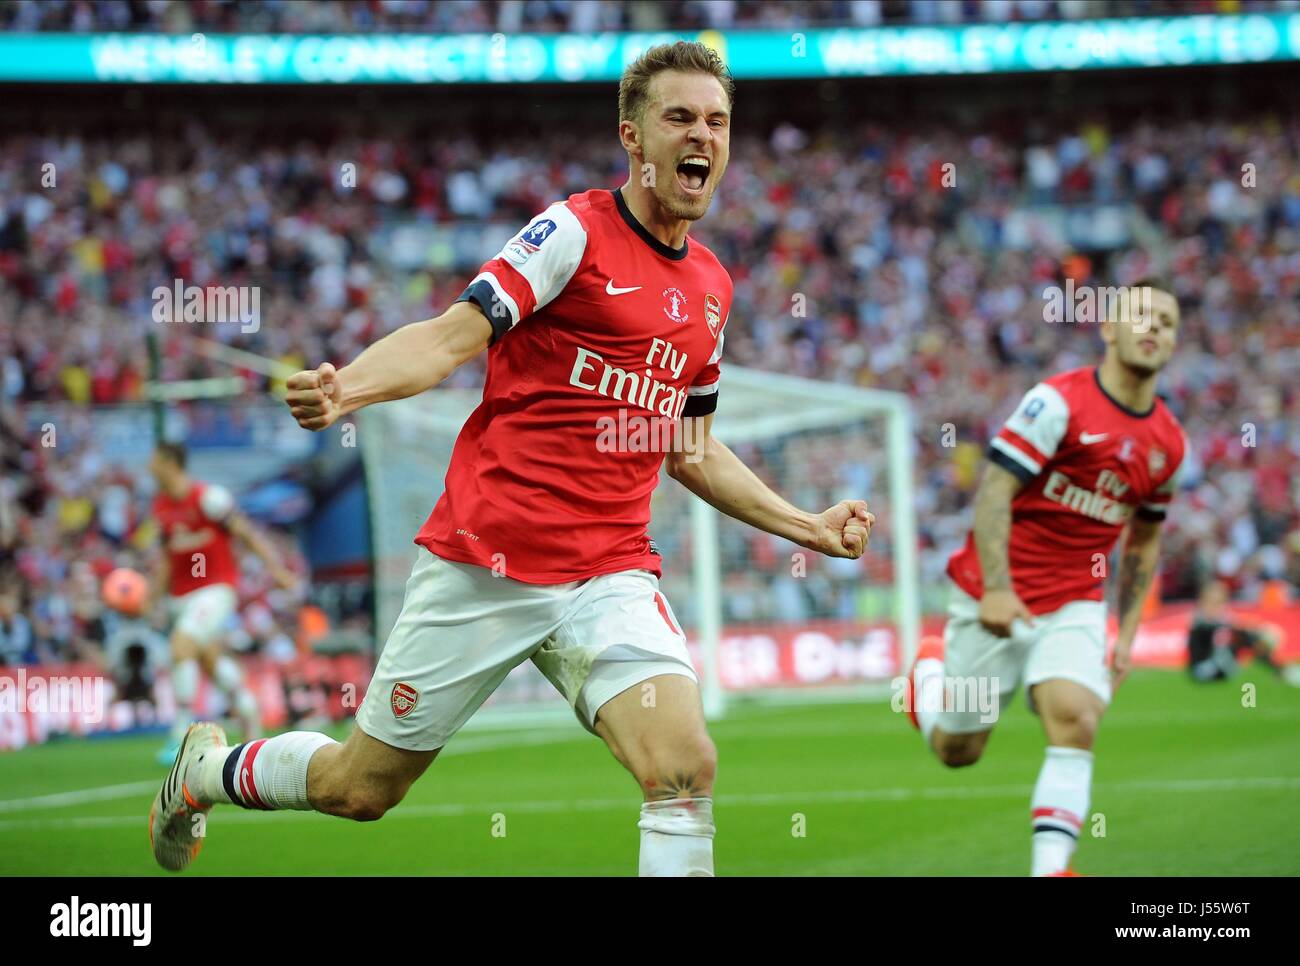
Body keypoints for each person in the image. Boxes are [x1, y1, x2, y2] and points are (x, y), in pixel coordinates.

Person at [149, 41, 874, 876]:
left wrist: (807, 527)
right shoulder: (570, 233)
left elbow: (691, 450)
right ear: (633, 137)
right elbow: (449, 339)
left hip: (608, 575)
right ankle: (206, 771)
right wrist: (347, 389)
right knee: (362, 789)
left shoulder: (712, 289)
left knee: (683, 767)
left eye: (716, 120)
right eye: (678, 117)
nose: (700, 135)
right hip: (487, 563)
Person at [904, 279, 1185, 876]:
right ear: (1108, 329)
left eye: (1168, 320)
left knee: (1076, 715)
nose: (1155, 327)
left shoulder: (1168, 443)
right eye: (1142, 315)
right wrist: (1000, 588)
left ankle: (1052, 868)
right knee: (958, 750)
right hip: (993, 594)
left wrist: (1128, 633)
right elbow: (995, 490)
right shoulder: (1057, 404)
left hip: (1075, 602)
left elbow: (1145, 536)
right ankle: (926, 682)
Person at [148, 441, 297, 766]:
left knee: (181, 646)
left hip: (215, 590)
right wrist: (151, 598)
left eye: (154, 461)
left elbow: (246, 533)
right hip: (180, 597)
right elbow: (165, 559)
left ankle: (181, 734)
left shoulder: (208, 498)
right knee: (211, 663)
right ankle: (248, 710)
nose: (149, 468)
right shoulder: (160, 507)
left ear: (170, 463)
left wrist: (276, 568)